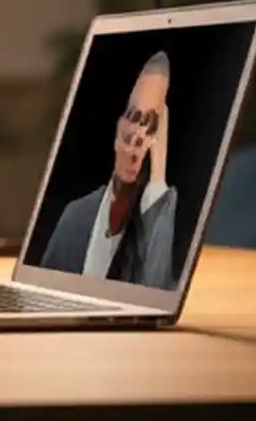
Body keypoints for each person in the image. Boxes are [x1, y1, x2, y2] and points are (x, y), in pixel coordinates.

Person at [40, 52, 178, 289]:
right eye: (133, 117)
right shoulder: (76, 216)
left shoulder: (163, 219)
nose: (137, 135)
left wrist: (157, 180)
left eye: (151, 126)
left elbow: (153, 298)